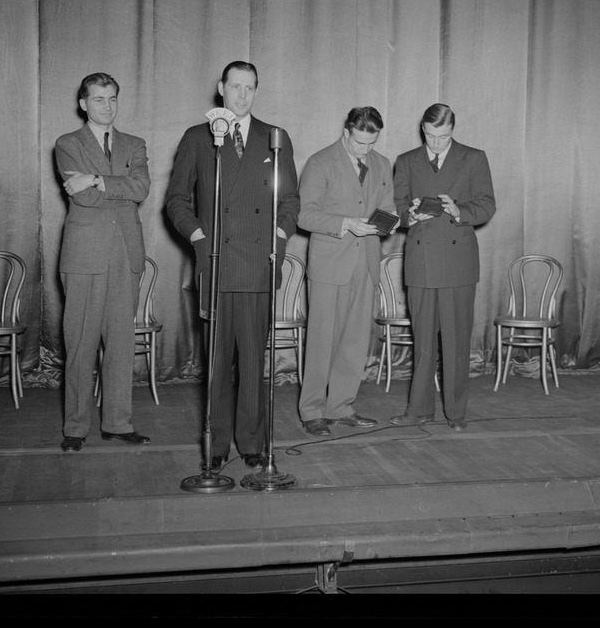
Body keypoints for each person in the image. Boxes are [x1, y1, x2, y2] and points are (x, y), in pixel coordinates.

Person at [165, 61, 299, 469]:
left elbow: (290, 201)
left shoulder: (274, 138)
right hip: (218, 263)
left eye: (250, 87)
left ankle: (252, 441)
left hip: (259, 263)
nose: (242, 95)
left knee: (255, 359)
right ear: (221, 87)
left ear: (257, 91)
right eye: (235, 86)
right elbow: (176, 201)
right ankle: (218, 444)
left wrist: (278, 236)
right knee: (218, 361)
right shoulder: (198, 137)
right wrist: (199, 236)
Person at [56, 72, 152, 452]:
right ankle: (75, 428)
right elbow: (84, 200)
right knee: (80, 343)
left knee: (121, 343)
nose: (107, 105)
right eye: (98, 99)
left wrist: (95, 178)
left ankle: (117, 422)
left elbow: (141, 189)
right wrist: (114, 186)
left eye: (112, 98)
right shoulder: (67, 144)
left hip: (126, 253)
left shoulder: (135, 144)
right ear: (83, 103)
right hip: (84, 255)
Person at [389, 103, 495, 432]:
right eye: (432, 136)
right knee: (422, 341)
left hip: (458, 262)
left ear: (453, 130)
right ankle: (419, 409)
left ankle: (456, 412)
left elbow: (488, 204)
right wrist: (411, 215)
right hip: (421, 260)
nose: (436, 143)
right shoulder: (406, 161)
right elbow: (396, 205)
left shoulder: (474, 158)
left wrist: (459, 209)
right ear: (423, 128)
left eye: (444, 137)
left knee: (456, 341)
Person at [297, 107, 396, 436]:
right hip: (330, 263)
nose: (366, 150)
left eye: (372, 143)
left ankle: (340, 407)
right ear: (346, 133)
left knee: (355, 341)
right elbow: (304, 215)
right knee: (322, 340)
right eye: (359, 143)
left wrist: (388, 222)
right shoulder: (320, 162)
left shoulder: (382, 164)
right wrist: (345, 224)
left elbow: (389, 205)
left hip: (365, 262)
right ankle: (312, 410)